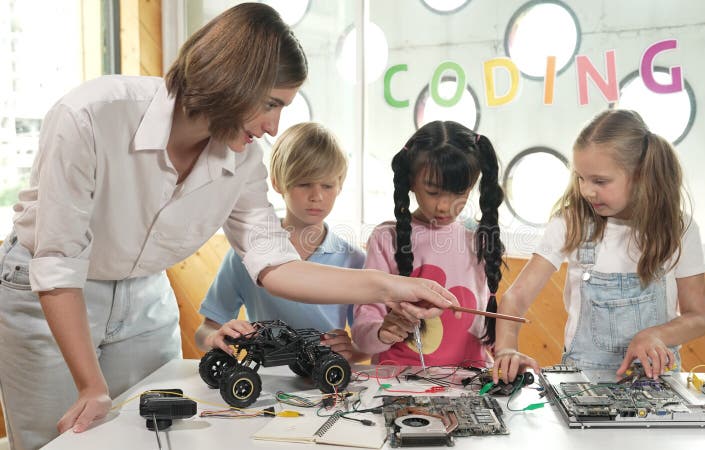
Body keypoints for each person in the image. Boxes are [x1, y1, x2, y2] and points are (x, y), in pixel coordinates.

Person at [0, 4, 454, 450]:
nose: (274, 127)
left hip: (144, 294)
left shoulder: (243, 160)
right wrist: (90, 385)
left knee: (158, 434)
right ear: (232, 80)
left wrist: (392, 286)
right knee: (61, 440)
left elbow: (277, 265)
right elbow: (58, 262)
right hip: (49, 293)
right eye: (271, 104)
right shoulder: (92, 115)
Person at [493, 109, 705, 385]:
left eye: (600, 181)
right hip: (582, 385)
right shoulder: (571, 223)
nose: (586, 191)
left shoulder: (679, 229)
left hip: (658, 388)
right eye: (581, 178)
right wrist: (507, 349)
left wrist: (655, 335)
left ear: (641, 174)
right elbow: (516, 299)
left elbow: (698, 317)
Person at [194, 122, 368, 362]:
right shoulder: (247, 253)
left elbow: (368, 342)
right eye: (304, 183)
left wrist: (354, 351)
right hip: (264, 384)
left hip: (324, 382)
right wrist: (216, 337)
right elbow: (205, 330)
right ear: (277, 182)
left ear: (339, 185)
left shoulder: (354, 260)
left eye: (327, 185)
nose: (316, 196)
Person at [351, 120, 505, 367]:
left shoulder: (479, 238)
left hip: (469, 383)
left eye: (459, 193)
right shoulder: (386, 239)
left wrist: (508, 353)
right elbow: (362, 337)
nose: (444, 205)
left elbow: (486, 330)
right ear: (411, 181)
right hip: (399, 383)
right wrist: (381, 332)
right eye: (433, 192)